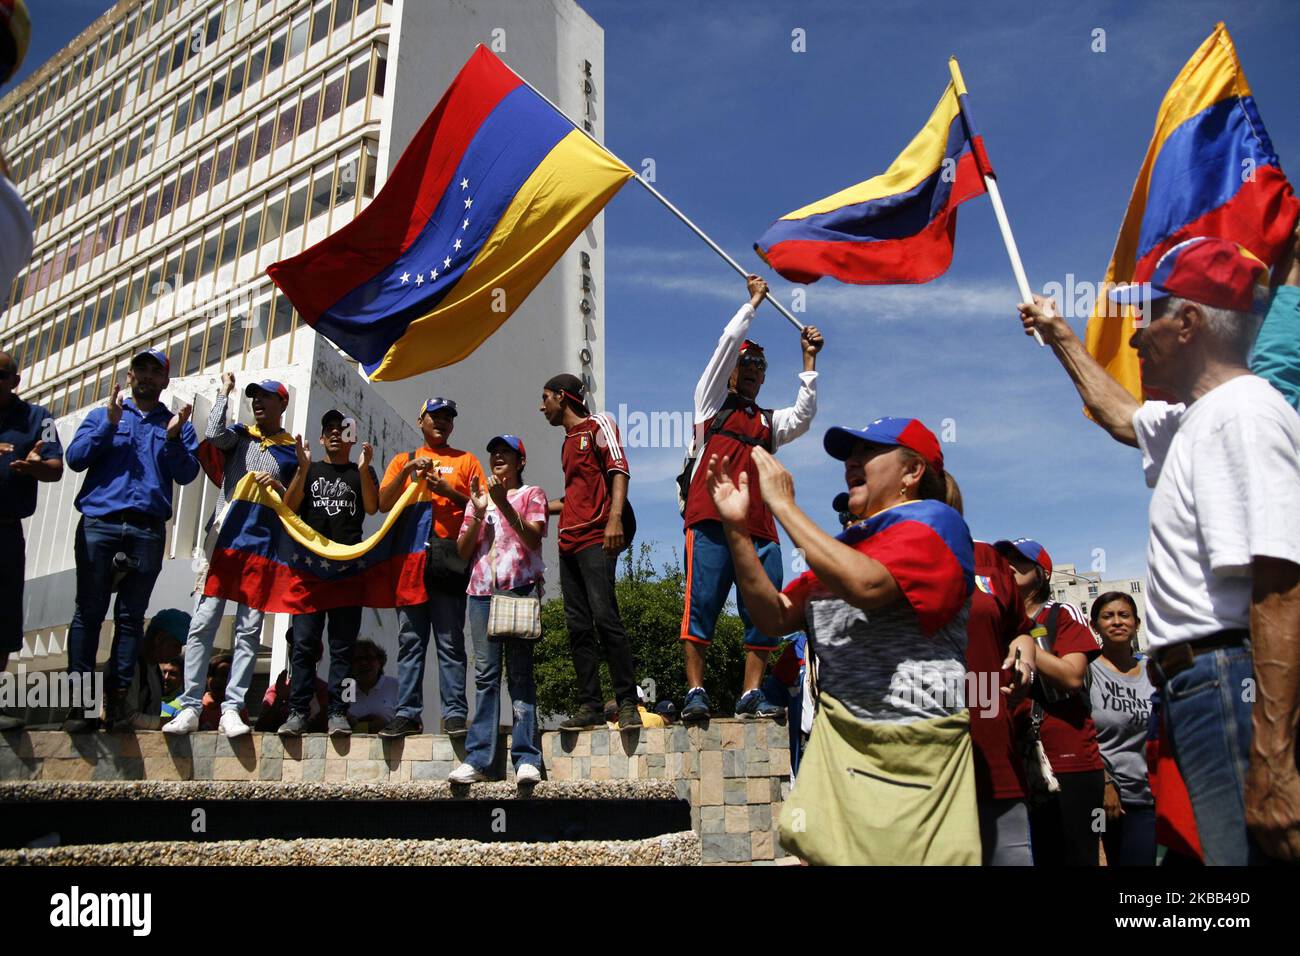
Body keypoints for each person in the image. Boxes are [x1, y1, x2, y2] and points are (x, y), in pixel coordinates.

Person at [1019, 235, 1300, 864]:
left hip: (1231, 680)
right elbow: (1118, 414)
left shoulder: (1243, 415)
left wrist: (1275, 755)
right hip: (1197, 686)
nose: (1136, 338)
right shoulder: (1194, 420)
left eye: (1146, 319)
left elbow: (1281, 587)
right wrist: (1060, 334)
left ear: (1190, 322)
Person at [710, 418, 978, 865]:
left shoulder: (936, 524)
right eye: (849, 454)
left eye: (870, 452)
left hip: (910, 756)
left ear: (912, 472)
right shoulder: (847, 546)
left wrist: (783, 506)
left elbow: (867, 586)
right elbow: (774, 616)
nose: (851, 462)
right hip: (840, 749)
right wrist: (737, 530)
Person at [679, 274, 823, 721]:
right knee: (700, 605)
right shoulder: (709, 403)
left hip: (760, 525)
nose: (756, 370)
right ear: (734, 371)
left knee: (764, 609)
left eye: (762, 366)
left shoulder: (767, 422)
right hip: (709, 518)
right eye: (749, 363)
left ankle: (750, 694)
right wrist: (754, 304)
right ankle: (696, 692)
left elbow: (803, 416)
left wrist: (808, 360)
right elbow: (726, 344)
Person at [64, 349, 199, 732]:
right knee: (88, 613)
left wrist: (173, 439)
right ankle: (81, 705)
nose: (147, 376)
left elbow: (188, 473)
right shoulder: (104, 414)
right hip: (100, 523)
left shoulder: (176, 424)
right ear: (130, 374)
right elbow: (75, 458)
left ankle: (120, 703)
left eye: (156, 372)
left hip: (147, 529)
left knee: (129, 619)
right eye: (141, 369)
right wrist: (108, 425)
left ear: (165, 382)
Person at [165, 374, 298, 738]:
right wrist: (224, 394)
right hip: (223, 540)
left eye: (267, 397)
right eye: (254, 396)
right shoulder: (239, 436)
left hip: (261, 548)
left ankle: (233, 708)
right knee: (203, 621)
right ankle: (190, 705)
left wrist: (282, 486)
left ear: (282, 404)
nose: (258, 402)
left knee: (249, 629)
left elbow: (293, 502)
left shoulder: (290, 451)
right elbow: (214, 433)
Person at [377, 398, 485, 738]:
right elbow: (382, 503)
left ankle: (454, 714)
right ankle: (407, 713)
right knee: (410, 641)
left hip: (449, 559)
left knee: (450, 642)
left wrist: (450, 493)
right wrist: (410, 473)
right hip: (410, 560)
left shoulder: (466, 461)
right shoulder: (403, 460)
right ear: (420, 420)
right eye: (434, 417)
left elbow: (484, 507)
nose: (441, 423)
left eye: (447, 418)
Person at [539, 374, 640, 732]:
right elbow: (574, 498)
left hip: (597, 538)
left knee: (605, 617)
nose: (542, 406)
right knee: (578, 626)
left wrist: (615, 519)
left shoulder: (599, 424)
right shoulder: (566, 443)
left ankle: (628, 702)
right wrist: (532, 504)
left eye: (546, 397)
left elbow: (619, 469)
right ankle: (590, 706)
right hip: (568, 543)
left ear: (563, 398)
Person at [995, 537, 1104, 866]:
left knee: (1075, 856)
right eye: (1003, 560)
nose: (1009, 565)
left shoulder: (1061, 613)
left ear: (1042, 574)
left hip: (1069, 760)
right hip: (1014, 760)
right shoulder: (992, 619)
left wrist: (1024, 640)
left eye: (1019, 560)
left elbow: (1072, 676)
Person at [449, 434, 547, 785]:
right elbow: (462, 552)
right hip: (480, 592)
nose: (497, 458)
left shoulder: (532, 494)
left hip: (518, 590)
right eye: (493, 453)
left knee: (520, 674)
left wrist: (503, 504)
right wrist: (477, 511)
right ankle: (478, 759)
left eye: (505, 452)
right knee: (486, 677)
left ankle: (526, 758)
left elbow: (534, 538)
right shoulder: (479, 498)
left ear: (520, 460)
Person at [275, 410, 378, 737]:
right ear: (321, 438)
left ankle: (339, 711)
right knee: (304, 645)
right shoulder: (310, 469)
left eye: (342, 430)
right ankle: (298, 710)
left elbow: (374, 507)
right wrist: (302, 469)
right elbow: (288, 508)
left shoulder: (360, 471)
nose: (335, 434)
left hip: (348, 571)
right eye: (329, 429)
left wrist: (363, 471)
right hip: (310, 572)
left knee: (343, 648)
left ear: (351, 438)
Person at [0, 349, 63, 730]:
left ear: (14, 380)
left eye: (0, 375)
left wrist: (36, 466)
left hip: (7, 529)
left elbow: (56, 468)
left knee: (4, 617)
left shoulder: (38, 419)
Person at [1087, 591, 1156, 866]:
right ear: (1095, 626)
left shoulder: (1154, 670)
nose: (1117, 622)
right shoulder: (1087, 672)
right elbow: (1082, 734)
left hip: (1155, 795)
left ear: (1136, 624)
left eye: (1124, 615)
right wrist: (1104, 783)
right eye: (1108, 616)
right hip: (1112, 800)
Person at [348, 639, 398, 732]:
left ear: (380, 663)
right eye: (358, 659)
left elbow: (417, 725)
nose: (363, 663)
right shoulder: (347, 689)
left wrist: (386, 725)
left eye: (369, 658)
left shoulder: (395, 686)